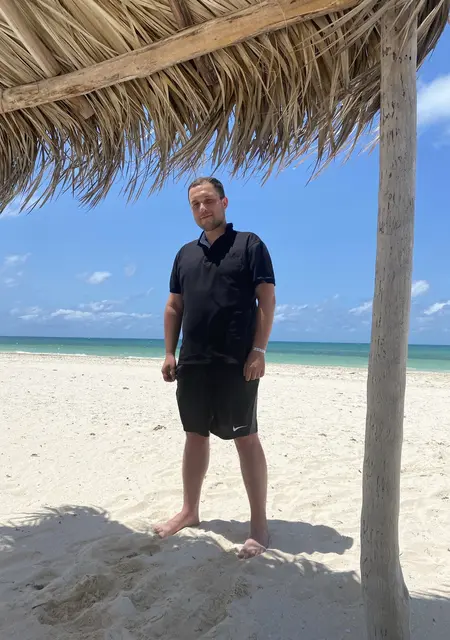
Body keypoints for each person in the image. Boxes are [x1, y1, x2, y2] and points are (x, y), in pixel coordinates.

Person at [156, 176, 276, 559]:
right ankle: (189, 511)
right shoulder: (184, 254)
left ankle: (259, 525)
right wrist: (170, 352)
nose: (202, 209)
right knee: (194, 435)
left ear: (224, 202)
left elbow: (266, 300)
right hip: (193, 362)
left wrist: (258, 350)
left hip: (237, 363)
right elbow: (174, 306)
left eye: (208, 201)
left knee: (246, 437)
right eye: (195, 204)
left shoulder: (249, 245)